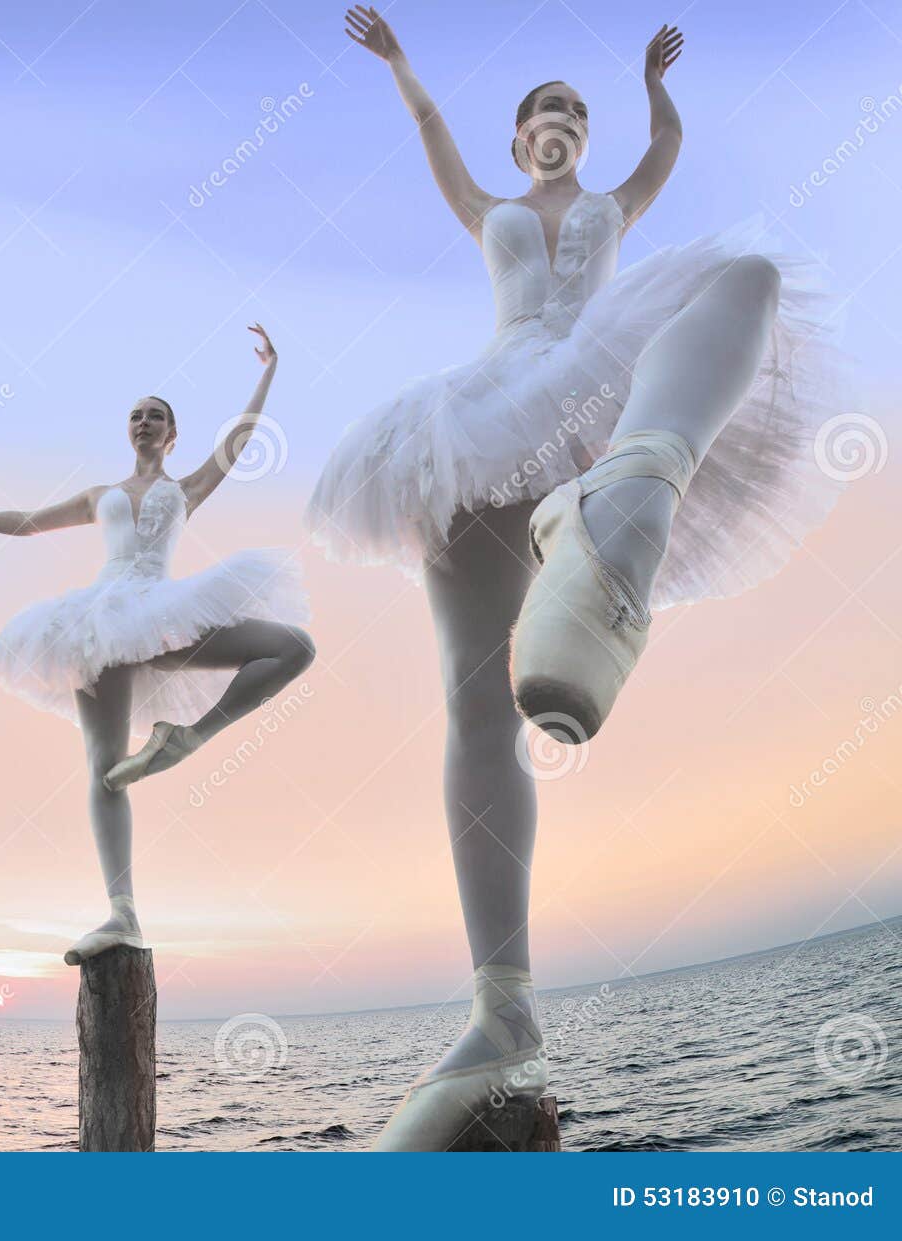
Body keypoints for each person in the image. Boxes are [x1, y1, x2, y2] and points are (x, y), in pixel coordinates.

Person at [305, 11, 851, 1149]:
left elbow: (664, 155)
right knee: (474, 700)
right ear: (517, 146)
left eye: (571, 116)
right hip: (482, 415)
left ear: (581, 139)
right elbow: (426, 130)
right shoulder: (490, 210)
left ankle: (626, 498)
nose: (556, 128)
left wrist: (653, 89)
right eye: (540, 118)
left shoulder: (612, 210)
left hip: (595, 393)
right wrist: (401, 62)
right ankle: (501, 1010)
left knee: (747, 276)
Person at [0, 326, 314, 964]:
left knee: (293, 647)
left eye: (156, 416)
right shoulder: (99, 495)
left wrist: (269, 370)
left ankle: (188, 738)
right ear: (128, 432)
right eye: (136, 415)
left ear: (172, 435)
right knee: (104, 766)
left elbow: (240, 441)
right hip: (99, 621)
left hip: (162, 612)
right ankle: (122, 914)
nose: (144, 422)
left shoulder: (188, 488)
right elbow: (25, 524)